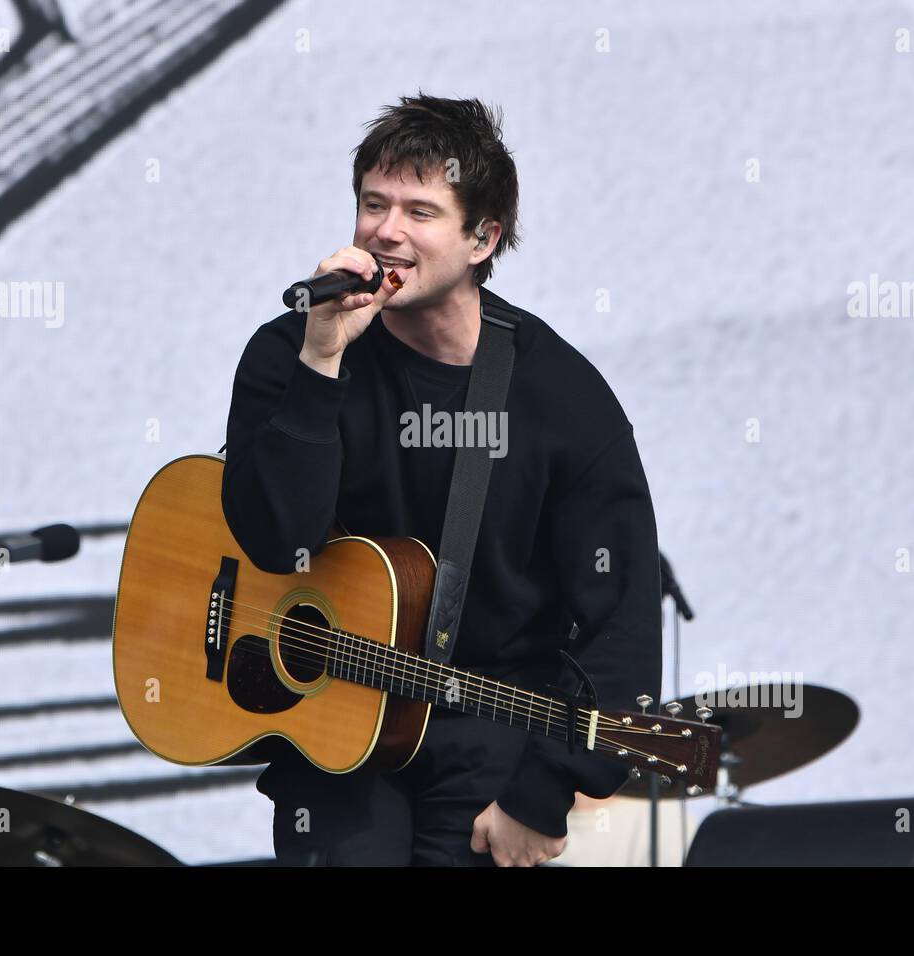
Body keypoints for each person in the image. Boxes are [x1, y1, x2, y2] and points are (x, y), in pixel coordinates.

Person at [222, 92, 662, 866]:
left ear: (482, 238)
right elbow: (270, 540)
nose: (385, 231)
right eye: (372, 204)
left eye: (420, 212)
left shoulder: (560, 399)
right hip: (336, 726)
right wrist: (320, 364)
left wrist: (544, 791)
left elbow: (620, 623)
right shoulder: (292, 354)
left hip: (491, 741)